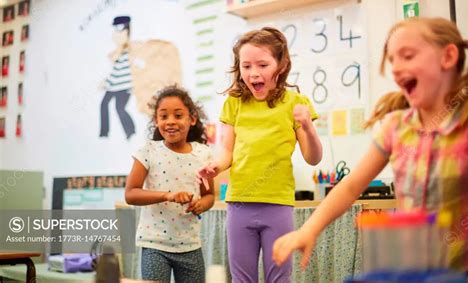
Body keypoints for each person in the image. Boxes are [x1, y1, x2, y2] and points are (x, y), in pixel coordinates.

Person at [272, 17, 468, 281]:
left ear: (448, 56)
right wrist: (308, 230)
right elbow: (350, 186)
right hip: (412, 270)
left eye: (408, 56)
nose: (397, 68)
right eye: (392, 60)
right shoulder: (396, 127)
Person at [196, 27, 323, 282]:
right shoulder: (234, 103)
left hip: (278, 204)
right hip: (239, 203)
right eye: (246, 66)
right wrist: (215, 166)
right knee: (243, 279)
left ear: (281, 64)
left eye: (263, 65)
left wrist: (308, 127)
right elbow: (227, 151)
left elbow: (313, 158)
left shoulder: (296, 103)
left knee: (279, 278)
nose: (253, 73)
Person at [125, 85, 214, 283]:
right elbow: (131, 193)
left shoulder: (203, 154)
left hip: (190, 245)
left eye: (178, 115)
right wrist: (168, 195)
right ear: (156, 121)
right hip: (154, 245)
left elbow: (209, 196)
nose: (170, 121)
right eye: (164, 116)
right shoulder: (148, 151)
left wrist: (202, 204)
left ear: (191, 119)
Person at [99, 16, 135, 139]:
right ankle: (104, 133)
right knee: (104, 104)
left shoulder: (127, 52)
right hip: (114, 86)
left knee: (119, 108)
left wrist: (106, 83)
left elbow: (118, 73)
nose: (115, 34)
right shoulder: (118, 52)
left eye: (117, 31)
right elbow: (115, 71)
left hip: (123, 87)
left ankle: (130, 131)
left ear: (125, 32)